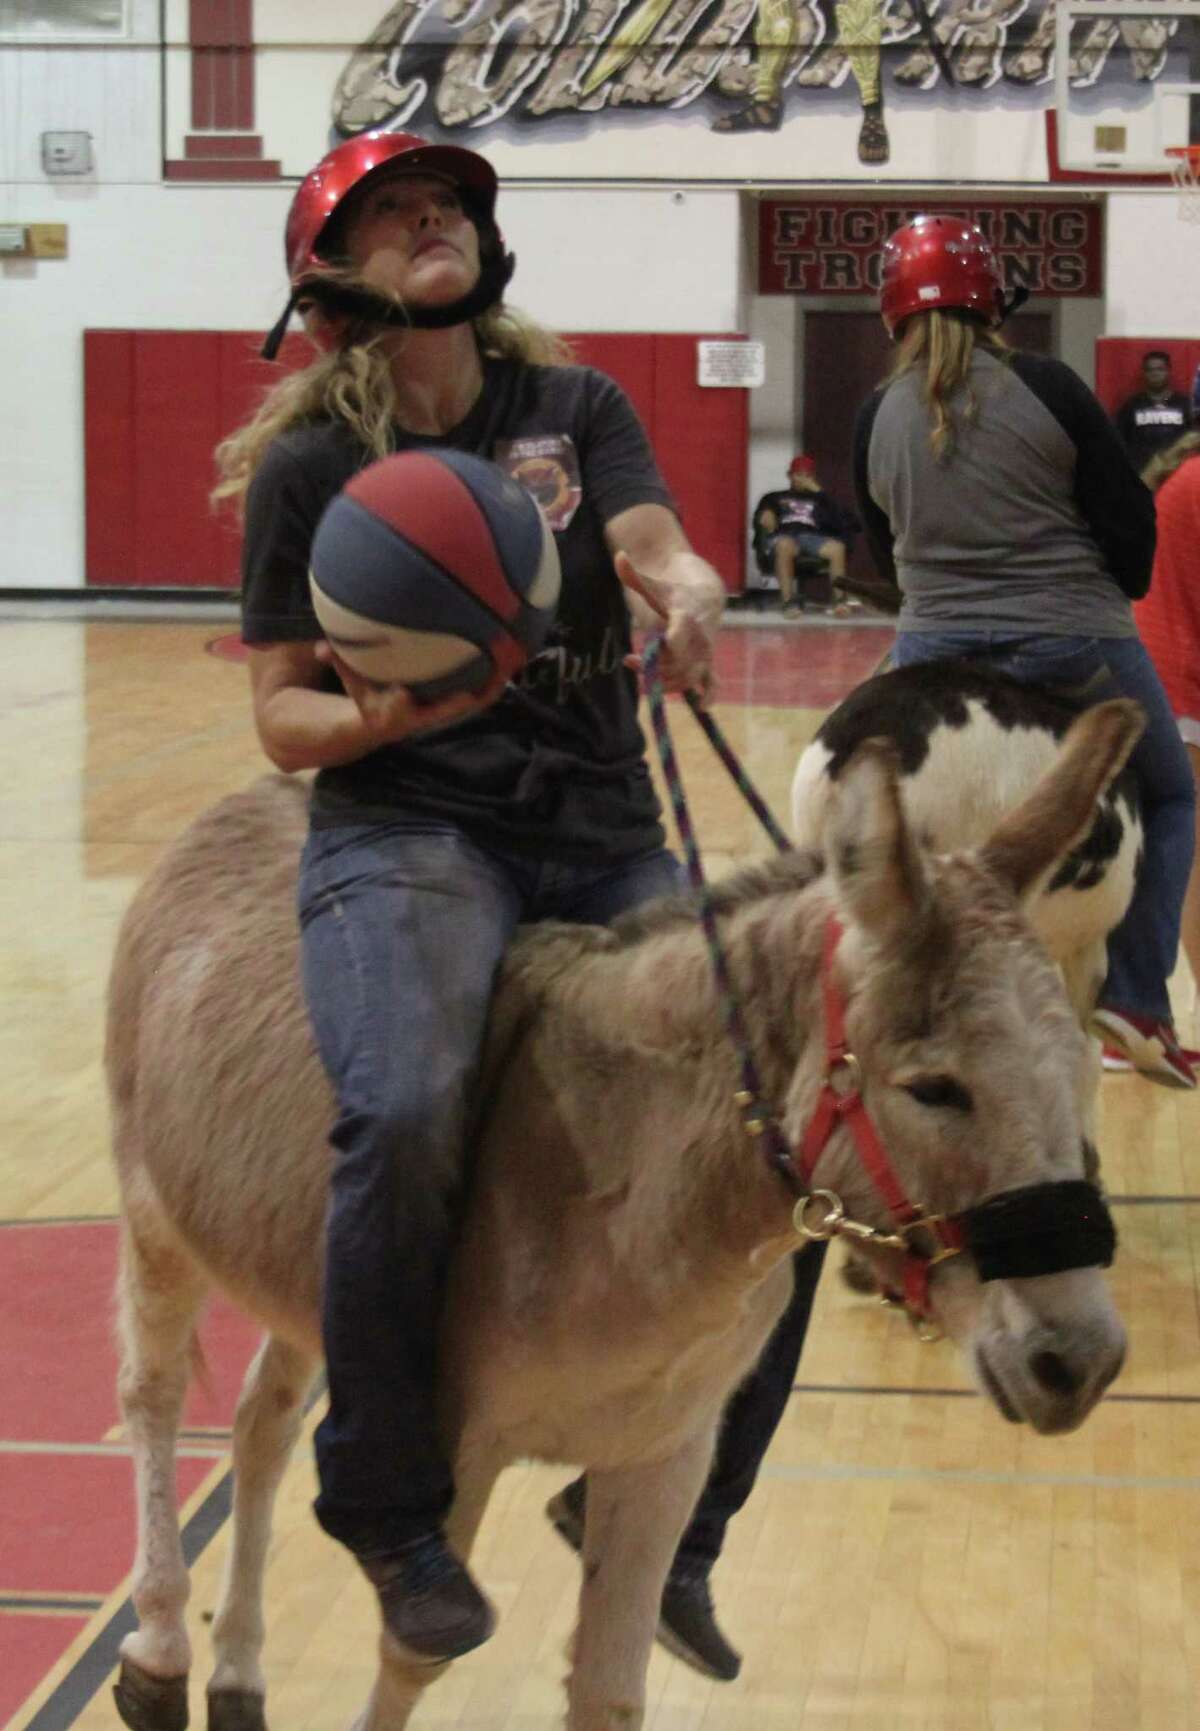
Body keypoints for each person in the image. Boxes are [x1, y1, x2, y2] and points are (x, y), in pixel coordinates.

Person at [214, 128, 824, 1679]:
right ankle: (389, 1495)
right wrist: (383, 724)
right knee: (407, 1101)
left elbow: (649, 546)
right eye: (393, 213)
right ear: (335, 275)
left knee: (791, 1101)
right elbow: (283, 714)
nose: (431, 224)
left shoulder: (575, 408)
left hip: (605, 821)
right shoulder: (311, 468)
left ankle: (680, 1522)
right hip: (411, 830)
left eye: (448, 206)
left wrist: (685, 593)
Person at [853, 214, 1198, 1088]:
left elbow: (877, 547)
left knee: (876, 824)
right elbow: (1131, 533)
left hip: (931, 649)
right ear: (992, 302)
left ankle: (886, 1000)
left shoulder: (872, 418)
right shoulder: (1046, 384)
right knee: (1170, 795)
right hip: (1074, 641)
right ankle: (1134, 992)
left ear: (890, 313)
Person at [1133, 432, 1200, 1037]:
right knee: (1190, 857)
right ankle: (1135, 1007)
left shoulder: (1184, 476)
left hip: (1166, 678)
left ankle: (1134, 1007)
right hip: (1182, 684)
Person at [752, 453, 860, 617]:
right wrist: (765, 515)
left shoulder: (821, 500)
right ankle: (788, 603)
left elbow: (847, 520)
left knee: (837, 548)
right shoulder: (775, 497)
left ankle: (840, 602)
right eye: (798, 474)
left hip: (812, 537)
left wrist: (819, 492)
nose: (802, 479)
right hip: (784, 535)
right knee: (785, 544)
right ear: (790, 475)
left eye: (807, 475)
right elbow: (762, 515)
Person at [1115, 349, 1194, 475]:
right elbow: (1118, 441)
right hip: (1142, 474)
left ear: (1169, 371)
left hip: (1177, 474)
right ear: (1144, 373)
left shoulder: (1185, 405)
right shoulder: (1131, 406)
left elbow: (1194, 441)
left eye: (1160, 369)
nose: (1155, 374)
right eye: (1150, 370)